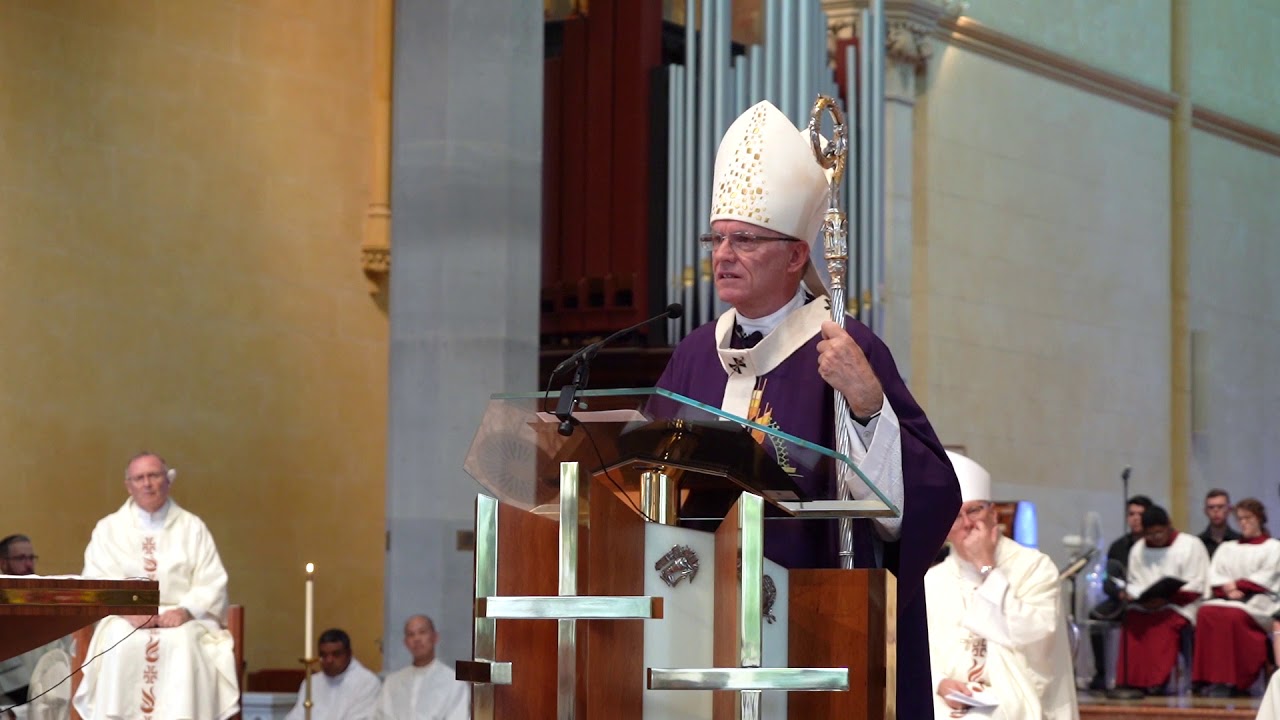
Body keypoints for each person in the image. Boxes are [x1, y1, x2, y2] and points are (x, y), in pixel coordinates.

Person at [649, 99, 960, 719]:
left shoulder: (844, 345)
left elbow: (926, 499)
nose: (725, 254)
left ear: (796, 256)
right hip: (694, 617)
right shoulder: (692, 355)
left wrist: (868, 405)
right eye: (718, 238)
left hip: (811, 624)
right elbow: (643, 481)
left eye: (746, 240)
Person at [73, 452, 239, 720]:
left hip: (182, 618)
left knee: (186, 645)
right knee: (118, 642)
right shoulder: (109, 529)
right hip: (124, 617)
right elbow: (96, 579)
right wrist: (127, 611)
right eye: (139, 478)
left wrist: (185, 610)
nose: (147, 483)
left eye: (154, 475)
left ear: (168, 480)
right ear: (129, 485)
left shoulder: (192, 527)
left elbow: (211, 580)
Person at [924, 451, 1077, 720]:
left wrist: (986, 565)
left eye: (974, 510)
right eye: (956, 516)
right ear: (945, 527)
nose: (968, 523)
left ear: (993, 514)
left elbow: (1037, 636)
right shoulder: (933, 580)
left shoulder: (1033, 566)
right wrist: (940, 683)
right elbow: (919, 651)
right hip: (948, 698)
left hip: (1016, 696)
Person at [1114, 505, 1209, 694]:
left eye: (1160, 532)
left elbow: (1198, 581)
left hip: (1181, 604)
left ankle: (1156, 681)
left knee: (1163, 624)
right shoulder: (1138, 549)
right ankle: (1131, 680)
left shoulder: (1190, 544)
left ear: (1169, 526)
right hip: (1148, 603)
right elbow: (1135, 580)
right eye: (1150, 534)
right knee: (1132, 619)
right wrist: (1136, 596)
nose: (1156, 537)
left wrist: (1167, 599)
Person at [1191, 497, 1280, 697]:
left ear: (1259, 519)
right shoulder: (1227, 547)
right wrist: (1228, 590)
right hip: (1228, 598)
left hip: (1260, 602)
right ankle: (1207, 679)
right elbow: (1216, 575)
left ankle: (1237, 680)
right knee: (1206, 611)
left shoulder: (1273, 547)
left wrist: (1238, 585)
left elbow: (1268, 577)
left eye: (1248, 518)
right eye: (1239, 519)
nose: (1243, 523)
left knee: (1232, 617)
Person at [1085, 494, 1153, 690]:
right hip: (1122, 599)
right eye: (1131, 514)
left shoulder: (1153, 544)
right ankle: (1102, 673)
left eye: (1141, 514)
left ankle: (1140, 675)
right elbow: (1109, 581)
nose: (1136, 518)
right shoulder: (1118, 546)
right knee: (1095, 617)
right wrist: (1120, 594)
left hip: (1148, 599)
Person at [0, 535, 72, 710]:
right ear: (2, 563)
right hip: (10, 701)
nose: (28, 564)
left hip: (49, 700)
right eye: (21, 558)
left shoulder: (44, 597)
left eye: (31, 558)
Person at [376, 615, 469, 719]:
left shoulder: (454, 682)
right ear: (406, 642)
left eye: (422, 632)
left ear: (435, 637)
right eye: (411, 634)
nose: (417, 639)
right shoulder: (392, 682)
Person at [286, 628, 381, 720]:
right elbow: (297, 715)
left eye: (336, 654)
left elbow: (360, 717)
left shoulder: (367, 682)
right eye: (323, 655)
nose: (329, 660)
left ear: (349, 654)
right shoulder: (312, 682)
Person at [1197, 489, 1241, 558]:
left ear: (1229, 510)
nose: (1215, 511)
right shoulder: (1198, 543)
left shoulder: (1239, 542)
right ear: (1205, 511)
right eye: (1211, 507)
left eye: (1220, 507)